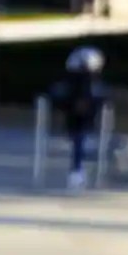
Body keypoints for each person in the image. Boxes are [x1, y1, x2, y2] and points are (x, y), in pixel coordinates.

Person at [52, 46, 108, 192]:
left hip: (80, 115)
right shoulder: (83, 80)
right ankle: (77, 172)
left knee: (80, 139)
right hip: (79, 115)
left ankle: (77, 171)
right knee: (79, 138)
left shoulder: (79, 78)